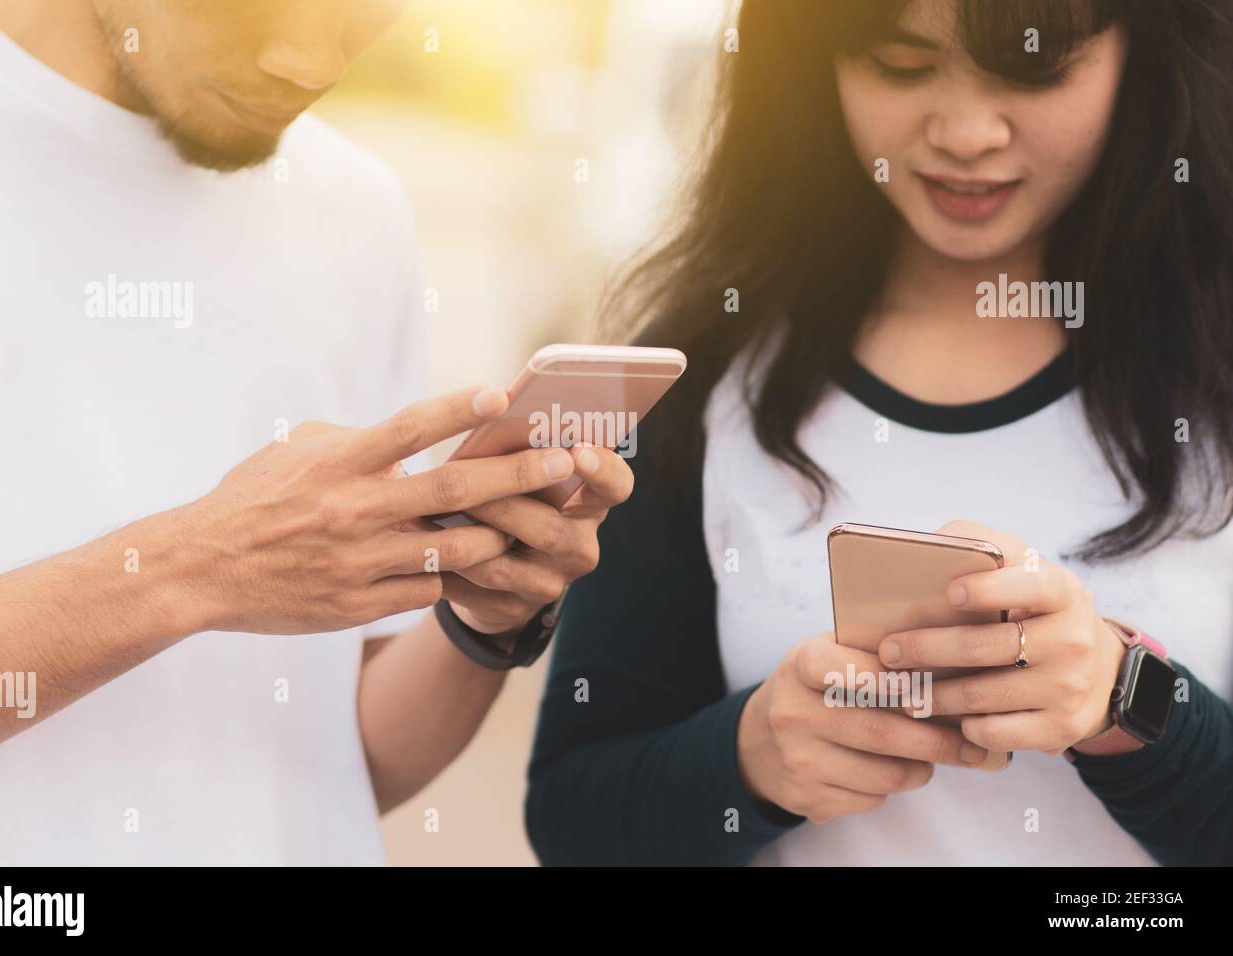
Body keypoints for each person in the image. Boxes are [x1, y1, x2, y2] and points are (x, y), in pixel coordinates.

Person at [526, 0, 1233, 865]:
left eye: (1032, 65)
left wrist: (1130, 704)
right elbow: (573, 825)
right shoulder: (696, 380)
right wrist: (750, 757)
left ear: (1146, 49)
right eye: (900, 64)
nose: (966, 132)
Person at [0, 0, 632, 865]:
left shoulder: (357, 212)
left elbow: (342, 761)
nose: (308, 61)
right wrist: (195, 567)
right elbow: (217, 567)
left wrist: (489, 617)